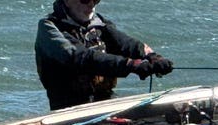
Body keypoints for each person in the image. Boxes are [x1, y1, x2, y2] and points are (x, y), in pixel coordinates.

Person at [35, 0, 174, 110]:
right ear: (67, 1)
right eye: (85, 0)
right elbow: (79, 57)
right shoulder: (49, 28)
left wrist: (152, 57)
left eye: (96, 0)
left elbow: (125, 43)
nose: (91, 5)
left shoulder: (99, 23)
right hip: (68, 108)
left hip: (105, 102)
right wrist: (130, 64)